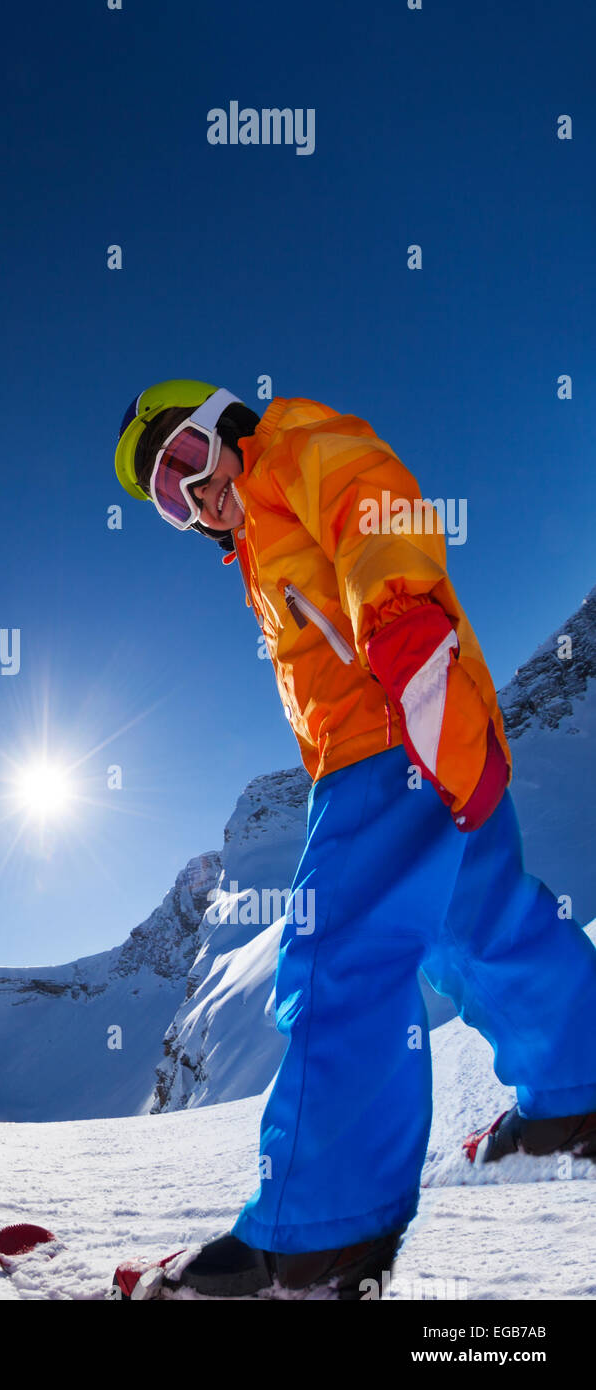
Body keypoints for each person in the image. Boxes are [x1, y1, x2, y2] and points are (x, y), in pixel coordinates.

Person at [112, 381, 596, 1300]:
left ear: (226, 424)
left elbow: (371, 503)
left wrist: (403, 620)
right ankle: (579, 1090)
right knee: (482, 927)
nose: (190, 492)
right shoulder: (252, 534)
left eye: (185, 456)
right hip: (433, 726)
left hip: (389, 727)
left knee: (341, 959)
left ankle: (317, 1237)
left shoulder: (289, 446)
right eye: (168, 500)